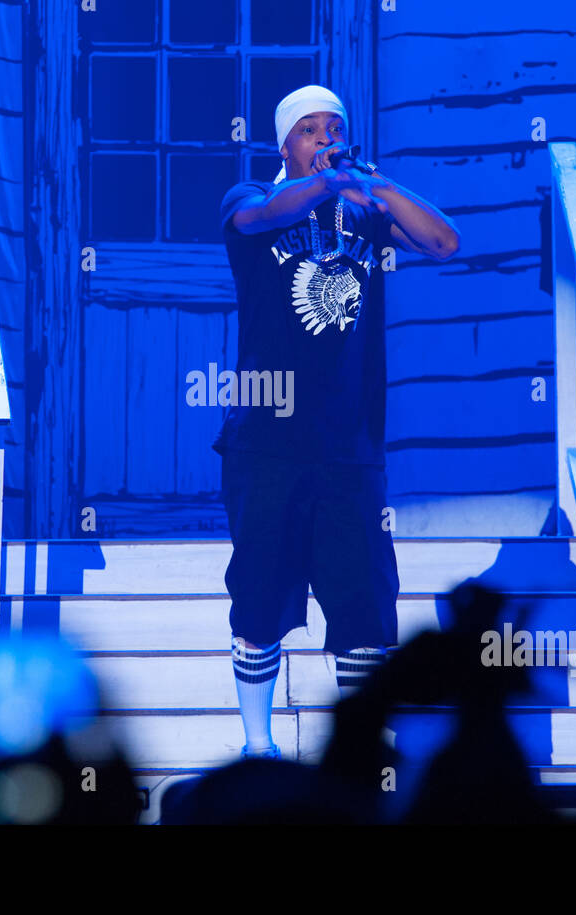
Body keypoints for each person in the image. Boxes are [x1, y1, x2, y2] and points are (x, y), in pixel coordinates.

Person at [213, 84, 460, 759]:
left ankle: (357, 752)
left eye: (335, 128)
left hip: (349, 445)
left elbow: (443, 240)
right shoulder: (249, 197)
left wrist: (372, 185)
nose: (324, 137)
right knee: (261, 597)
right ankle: (258, 746)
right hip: (266, 440)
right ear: (284, 142)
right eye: (310, 129)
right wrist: (331, 181)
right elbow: (266, 214)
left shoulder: (362, 210)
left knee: (361, 607)